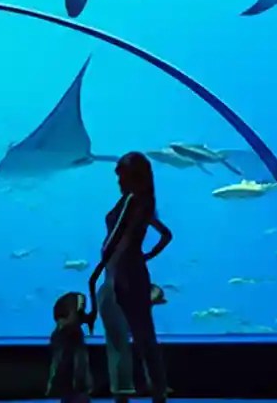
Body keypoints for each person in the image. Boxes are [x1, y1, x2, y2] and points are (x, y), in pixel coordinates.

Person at [87, 152, 170, 403]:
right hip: (125, 272)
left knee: (135, 337)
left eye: (120, 174)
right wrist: (144, 256)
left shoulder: (132, 200)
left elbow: (114, 238)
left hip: (122, 274)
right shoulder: (142, 201)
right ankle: (154, 392)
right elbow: (166, 235)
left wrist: (99, 269)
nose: (117, 180)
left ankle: (140, 392)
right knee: (140, 336)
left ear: (131, 174)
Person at [46, 292, 92, 403]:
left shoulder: (75, 334)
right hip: (69, 386)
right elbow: (58, 362)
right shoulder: (61, 336)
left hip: (76, 387)